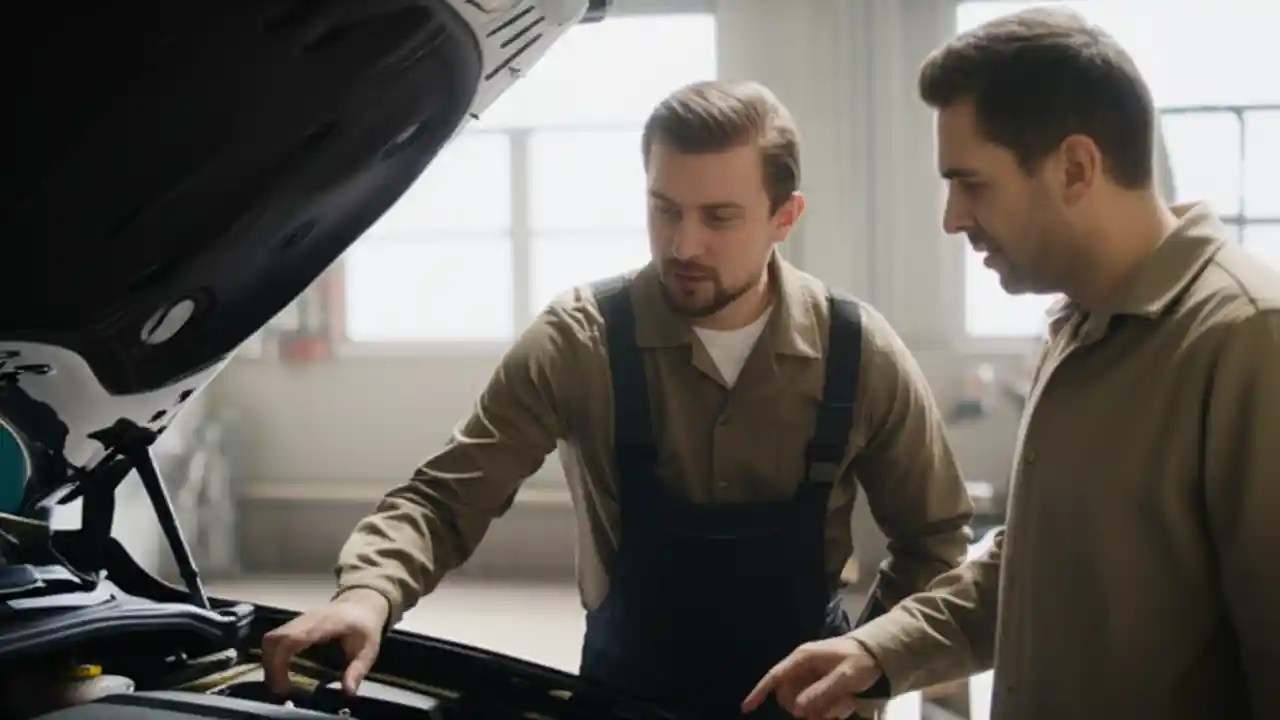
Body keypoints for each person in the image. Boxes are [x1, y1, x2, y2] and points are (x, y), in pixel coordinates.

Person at [260, 79, 975, 718]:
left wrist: (872, 666)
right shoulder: (578, 342)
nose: (684, 244)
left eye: (719, 217)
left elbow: (934, 540)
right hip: (621, 695)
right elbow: (444, 500)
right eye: (665, 209)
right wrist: (367, 594)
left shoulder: (860, 353)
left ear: (785, 218)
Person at [743, 7, 1280, 720]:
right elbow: (1034, 570)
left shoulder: (1247, 339)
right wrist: (878, 652)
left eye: (972, 183)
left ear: (1077, 168)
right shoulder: (1080, 326)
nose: (952, 218)